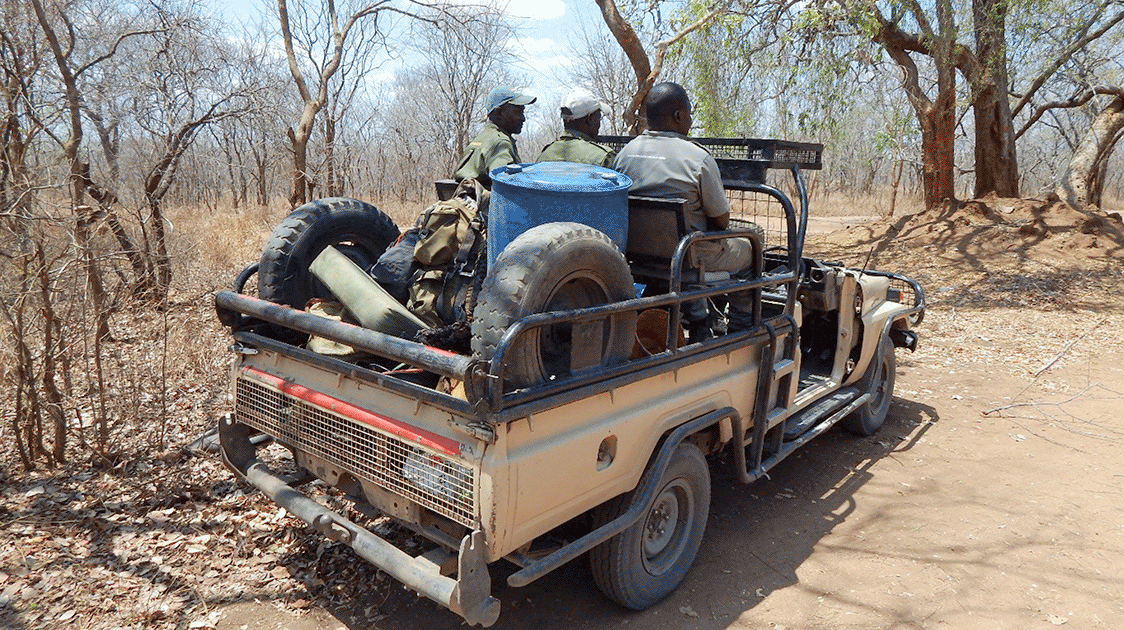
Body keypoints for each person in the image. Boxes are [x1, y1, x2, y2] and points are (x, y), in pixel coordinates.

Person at [613, 81, 755, 336]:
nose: (690, 119)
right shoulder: (697, 158)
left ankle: (699, 316)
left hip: (640, 256)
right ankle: (742, 328)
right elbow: (721, 221)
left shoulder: (625, 154)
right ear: (678, 116)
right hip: (687, 258)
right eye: (689, 113)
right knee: (751, 249)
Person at [454, 86, 536, 188]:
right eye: (517, 112)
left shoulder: (482, 138)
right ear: (499, 113)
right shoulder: (500, 143)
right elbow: (507, 187)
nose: (523, 118)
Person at [537, 89, 615, 167]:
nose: (599, 123)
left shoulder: (544, 156)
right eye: (598, 116)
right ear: (590, 119)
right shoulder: (604, 158)